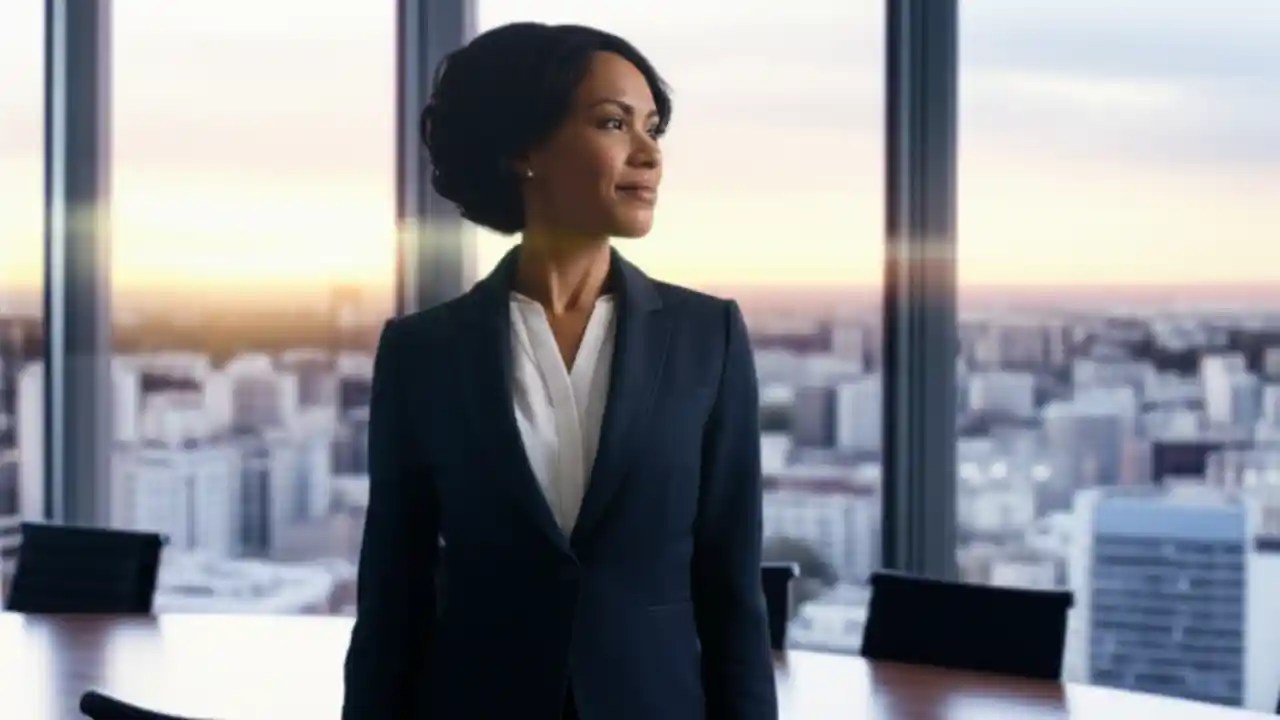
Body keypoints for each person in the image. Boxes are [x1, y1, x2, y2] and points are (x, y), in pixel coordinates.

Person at [342, 21, 776, 720]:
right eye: (614, 123)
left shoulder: (708, 338)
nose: (648, 155)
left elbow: (732, 594)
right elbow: (393, 599)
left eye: (654, 129)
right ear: (523, 150)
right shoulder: (423, 353)